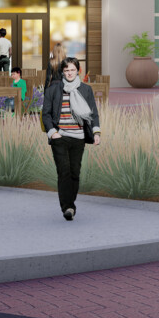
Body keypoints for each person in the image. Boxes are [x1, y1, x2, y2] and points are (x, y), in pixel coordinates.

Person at [41, 57, 100, 220]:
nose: (69, 73)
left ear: (78, 71)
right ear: (62, 72)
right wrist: (53, 132)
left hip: (78, 138)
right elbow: (45, 114)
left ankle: (70, 204)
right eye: (66, 70)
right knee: (64, 172)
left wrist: (96, 133)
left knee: (75, 173)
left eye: (72, 70)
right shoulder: (53, 90)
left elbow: (93, 113)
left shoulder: (86, 89)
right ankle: (68, 207)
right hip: (60, 137)